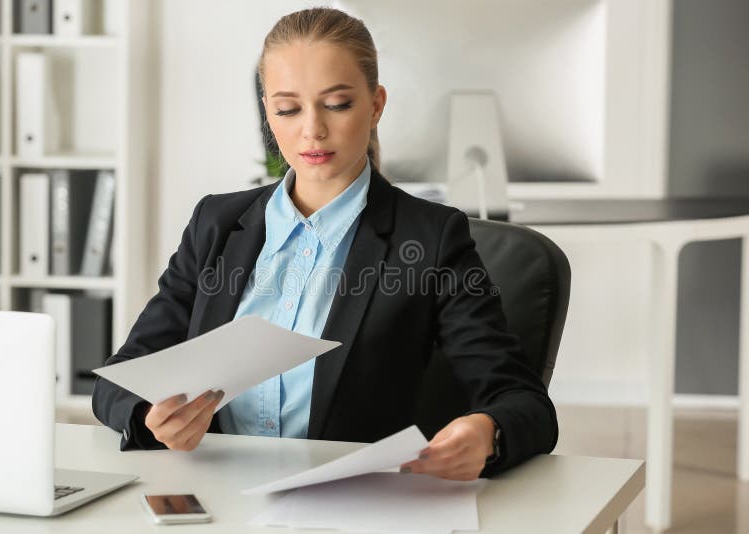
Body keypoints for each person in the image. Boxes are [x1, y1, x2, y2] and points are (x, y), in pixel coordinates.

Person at [93, 7, 558, 481]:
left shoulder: (431, 238)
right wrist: (148, 417)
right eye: (288, 109)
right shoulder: (216, 223)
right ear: (268, 112)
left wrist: (488, 432)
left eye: (336, 104)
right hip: (213, 493)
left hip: (348, 503)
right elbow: (121, 377)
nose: (311, 130)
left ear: (376, 105)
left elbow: (524, 403)